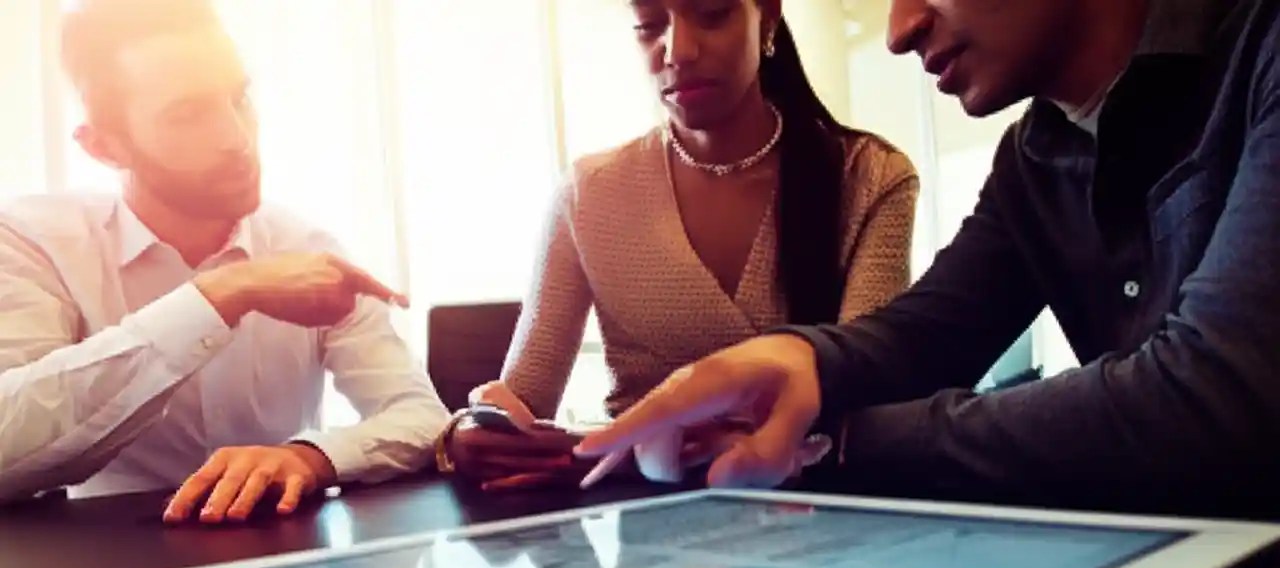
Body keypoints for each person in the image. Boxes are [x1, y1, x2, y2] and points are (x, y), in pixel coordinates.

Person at [578, 0, 1280, 517]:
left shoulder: (1262, 51)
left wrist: (840, 440)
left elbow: (1219, 400)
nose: (898, 30)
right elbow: (924, 338)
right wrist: (801, 361)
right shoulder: (1032, 158)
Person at [0, 0, 450, 522]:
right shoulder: (34, 242)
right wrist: (219, 295)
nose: (237, 139)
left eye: (240, 99)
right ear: (105, 147)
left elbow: (422, 417)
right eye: (187, 115)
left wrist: (311, 458)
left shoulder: (304, 246)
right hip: (102, 555)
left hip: (285, 549)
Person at [441, 0, 919, 483]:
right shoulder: (589, 194)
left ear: (768, 18)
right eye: (649, 25)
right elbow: (520, 403)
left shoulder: (869, 177)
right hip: (644, 518)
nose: (677, 51)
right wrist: (467, 434)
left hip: (821, 510)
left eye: (711, 13)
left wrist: (638, 448)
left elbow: (862, 401)